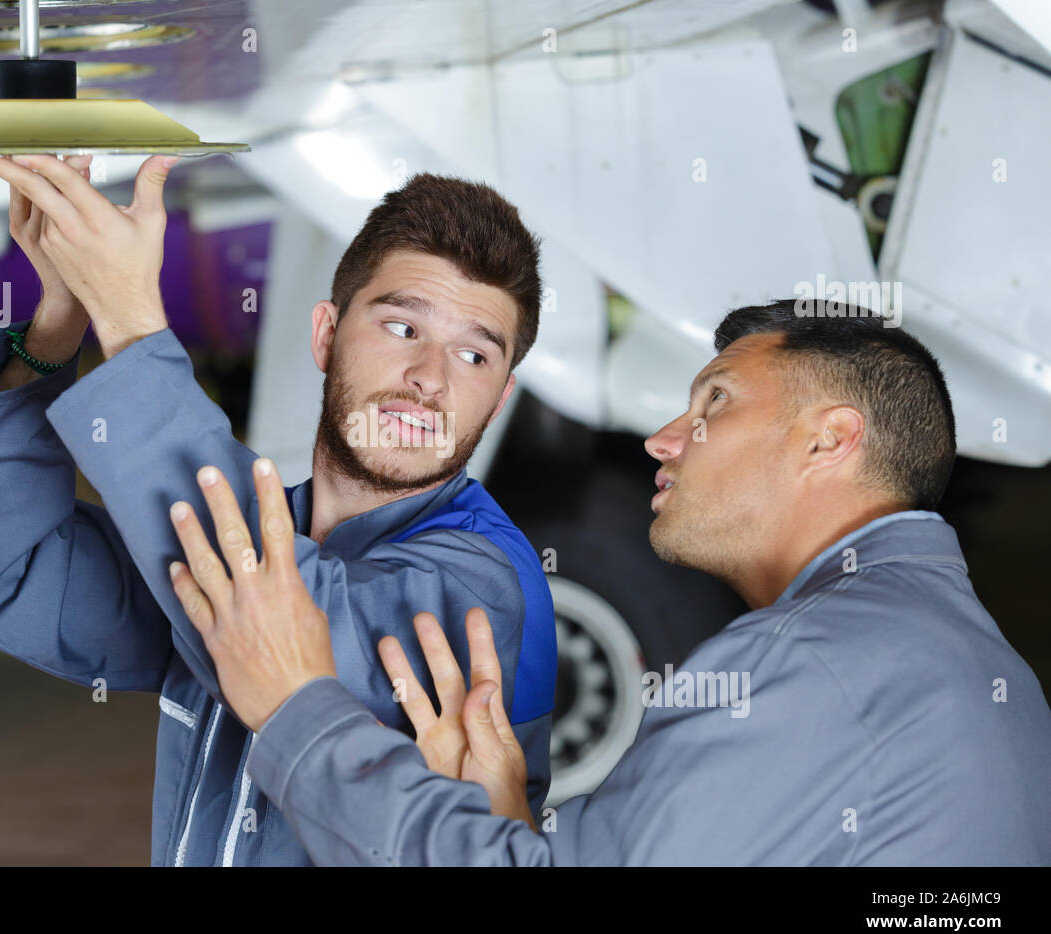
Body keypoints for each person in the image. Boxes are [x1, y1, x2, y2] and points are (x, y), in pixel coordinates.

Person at [167, 301, 1051, 865]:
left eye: (714, 406)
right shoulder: (966, 663)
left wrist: (294, 706)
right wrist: (508, 828)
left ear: (829, 440)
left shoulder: (815, 667)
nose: (664, 439)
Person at [0, 156, 558, 866]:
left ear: (499, 401)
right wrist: (59, 327)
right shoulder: (251, 535)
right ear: (324, 336)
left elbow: (286, 614)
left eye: (474, 356)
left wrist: (129, 317)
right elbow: (5, 576)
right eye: (404, 329)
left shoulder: (484, 586)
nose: (431, 380)